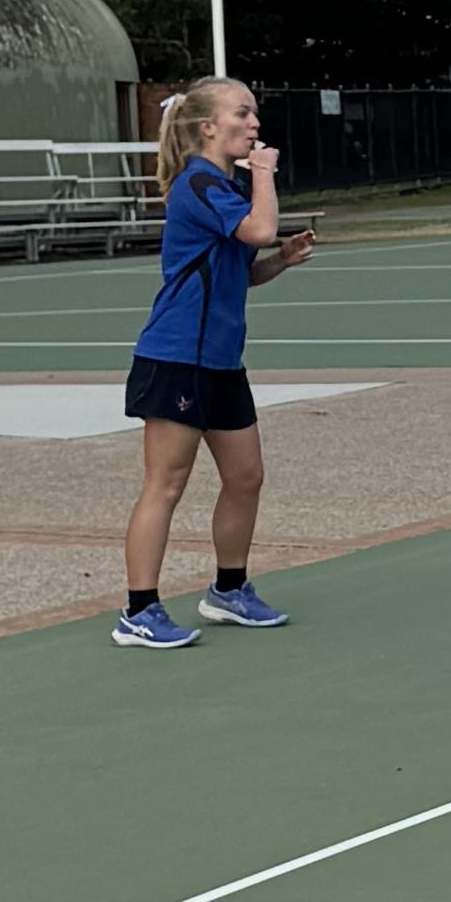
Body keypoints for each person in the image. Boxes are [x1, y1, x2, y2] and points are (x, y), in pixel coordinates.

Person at [115, 76, 313, 646]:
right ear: (208, 127)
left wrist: (279, 262)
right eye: (242, 114)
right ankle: (138, 611)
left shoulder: (220, 187)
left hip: (221, 360)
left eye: (255, 115)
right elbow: (259, 225)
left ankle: (228, 591)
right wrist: (266, 174)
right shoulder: (197, 183)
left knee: (246, 476)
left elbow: (240, 268)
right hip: (176, 357)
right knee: (166, 484)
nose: (254, 125)